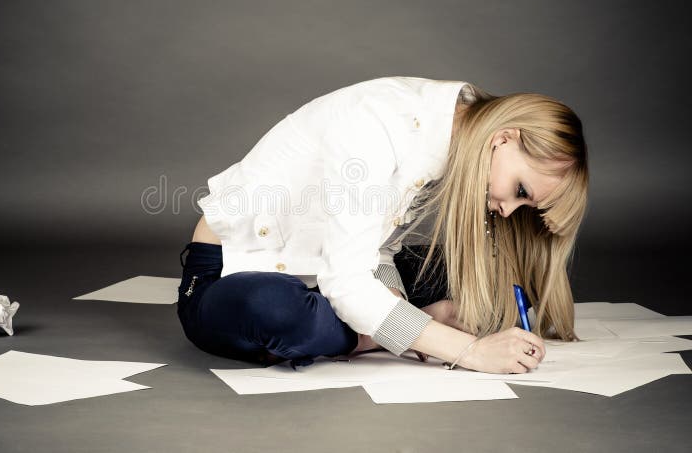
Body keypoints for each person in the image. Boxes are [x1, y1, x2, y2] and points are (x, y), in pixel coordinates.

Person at [177, 76, 588, 374]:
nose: (507, 210)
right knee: (273, 308)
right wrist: (467, 350)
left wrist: (397, 307)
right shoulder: (376, 123)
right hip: (229, 276)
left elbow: (379, 246)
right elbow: (348, 285)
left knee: (480, 279)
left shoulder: (451, 134)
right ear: (504, 138)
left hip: (327, 271)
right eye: (519, 190)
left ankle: (382, 325)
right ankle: (372, 334)